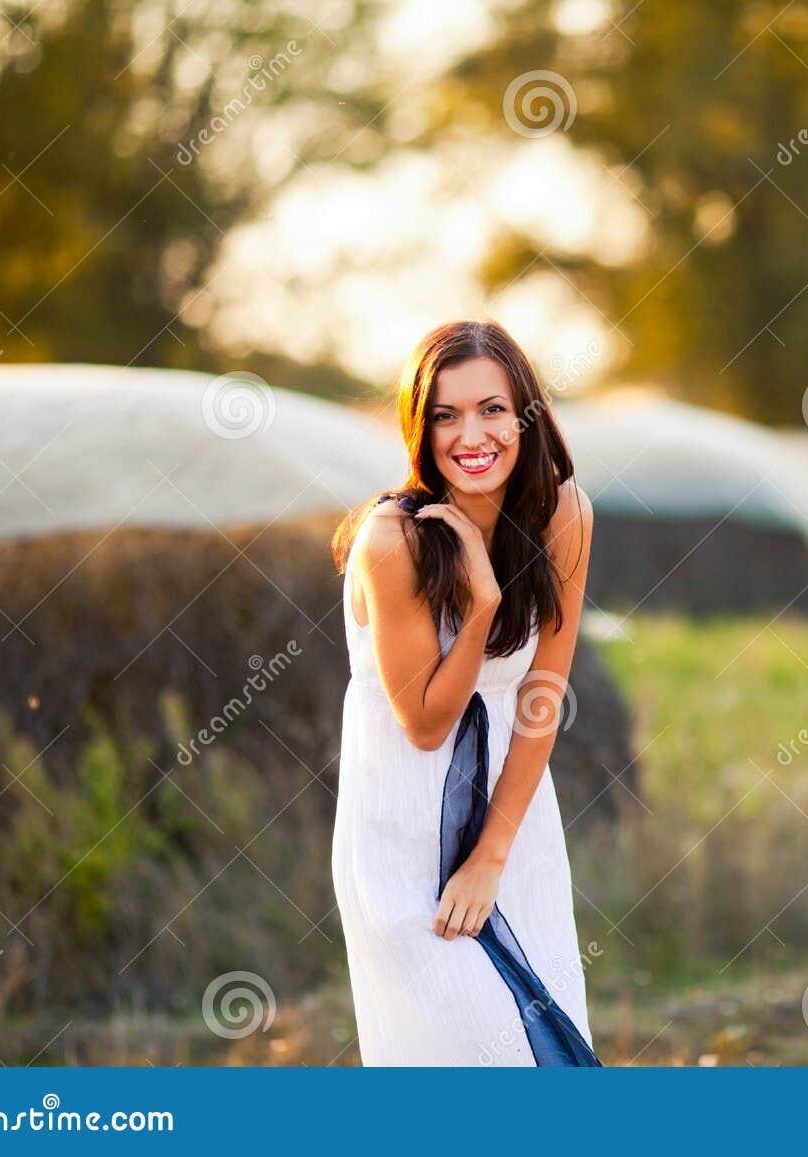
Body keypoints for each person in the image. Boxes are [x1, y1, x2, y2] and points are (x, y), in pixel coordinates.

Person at [330, 319, 600, 1065]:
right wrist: (480, 602)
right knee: (473, 1053)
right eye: (445, 415)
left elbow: (542, 691)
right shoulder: (395, 541)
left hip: (514, 821)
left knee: (546, 1052)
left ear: (525, 415)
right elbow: (424, 722)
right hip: (402, 828)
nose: (470, 434)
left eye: (491, 409)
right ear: (421, 429)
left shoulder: (564, 515)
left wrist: (491, 855)